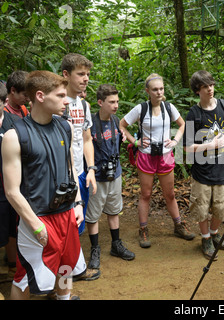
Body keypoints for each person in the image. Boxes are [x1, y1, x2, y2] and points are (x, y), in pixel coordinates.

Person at [2, 70, 87, 300]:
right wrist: (36, 226)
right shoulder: (15, 135)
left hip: (67, 213)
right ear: (40, 96)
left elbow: (71, 171)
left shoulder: (65, 127)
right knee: (25, 277)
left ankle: (64, 298)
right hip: (36, 217)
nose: (66, 100)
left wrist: (78, 204)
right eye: (60, 95)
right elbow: (11, 191)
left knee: (66, 266)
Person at [120, 73, 195, 248]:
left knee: (170, 194)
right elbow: (121, 124)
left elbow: (182, 124)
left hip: (165, 155)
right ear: (148, 91)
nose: (159, 92)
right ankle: (143, 230)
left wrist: (175, 140)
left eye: (161, 89)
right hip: (146, 155)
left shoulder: (169, 107)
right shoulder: (141, 109)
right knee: (146, 194)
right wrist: (135, 141)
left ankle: (178, 225)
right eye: (155, 89)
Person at [183, 70, 224, 260]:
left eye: (211, 85)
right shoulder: (194, 114)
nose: (210, 89)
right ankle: (205, 238)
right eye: (205, 86)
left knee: (221, 207)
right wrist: (209, 145)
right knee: (202, 207)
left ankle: (214, 234)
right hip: (202, 171)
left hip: (222, 168)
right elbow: (187, 147)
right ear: (197, 90)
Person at [86, 84, 135, 272]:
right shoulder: (90, 123)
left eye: (117, 101)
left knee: (114, 210)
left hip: (114, 174)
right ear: (100, 102)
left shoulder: (116, 121)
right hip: (97, 176)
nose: (116, 105)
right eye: (111, 102)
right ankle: (95, 249)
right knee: (93, 216)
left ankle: (116, 245)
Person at [61, 53, 97, 235]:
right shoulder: (55, 104)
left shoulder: (83, 106)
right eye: (81, 74)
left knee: (77, 225)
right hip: (59, 177)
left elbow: (86, 139)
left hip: (80, 173)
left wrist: (91, 169)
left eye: (88, 75)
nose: (86, 79)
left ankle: (73, 262)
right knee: (60, 228)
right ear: (66, 74)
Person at [0, 82, 20, 287]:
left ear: (4, 102)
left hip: (11, 185)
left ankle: (13, 265)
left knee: (13, 227)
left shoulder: (14, 124)